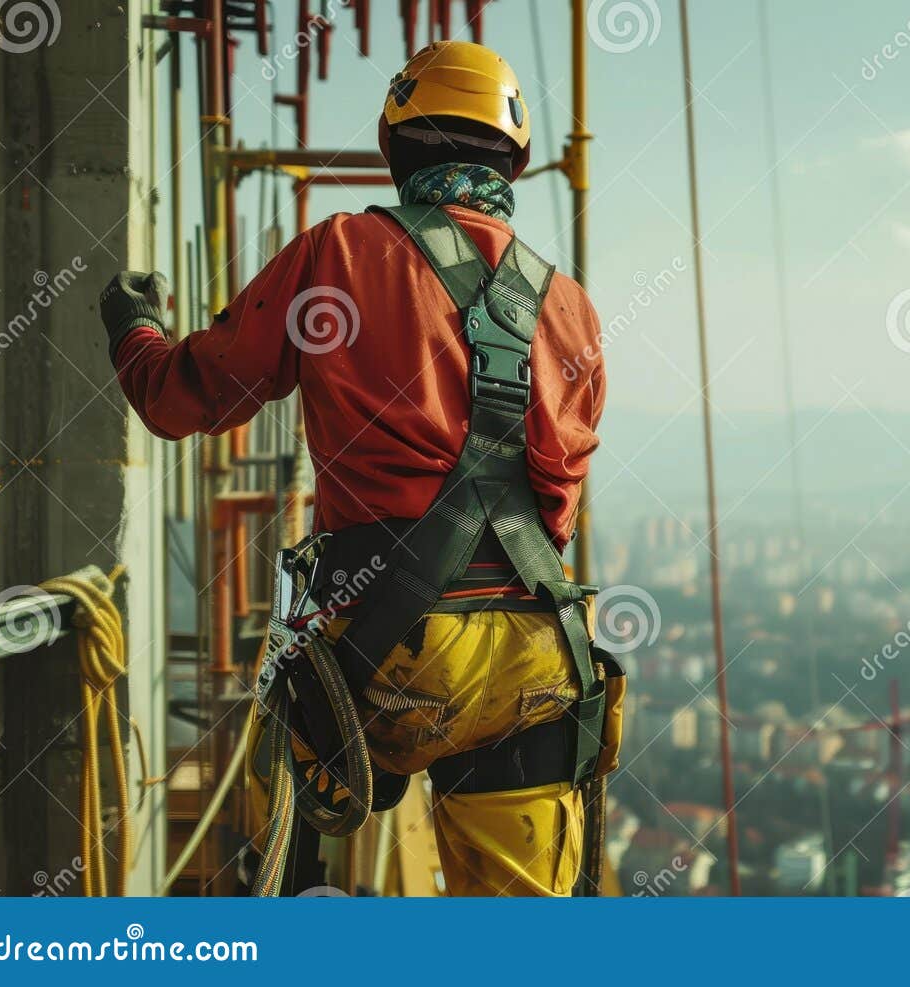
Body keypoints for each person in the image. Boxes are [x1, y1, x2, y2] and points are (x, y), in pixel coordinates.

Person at [98, 40, 612, 897]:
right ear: (513, 159)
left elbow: (182, 398)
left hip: (386, 657)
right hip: (535, 654)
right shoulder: (571, 304)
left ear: (398, 143)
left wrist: (133, 328)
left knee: (288, 863)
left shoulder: (340, 254)